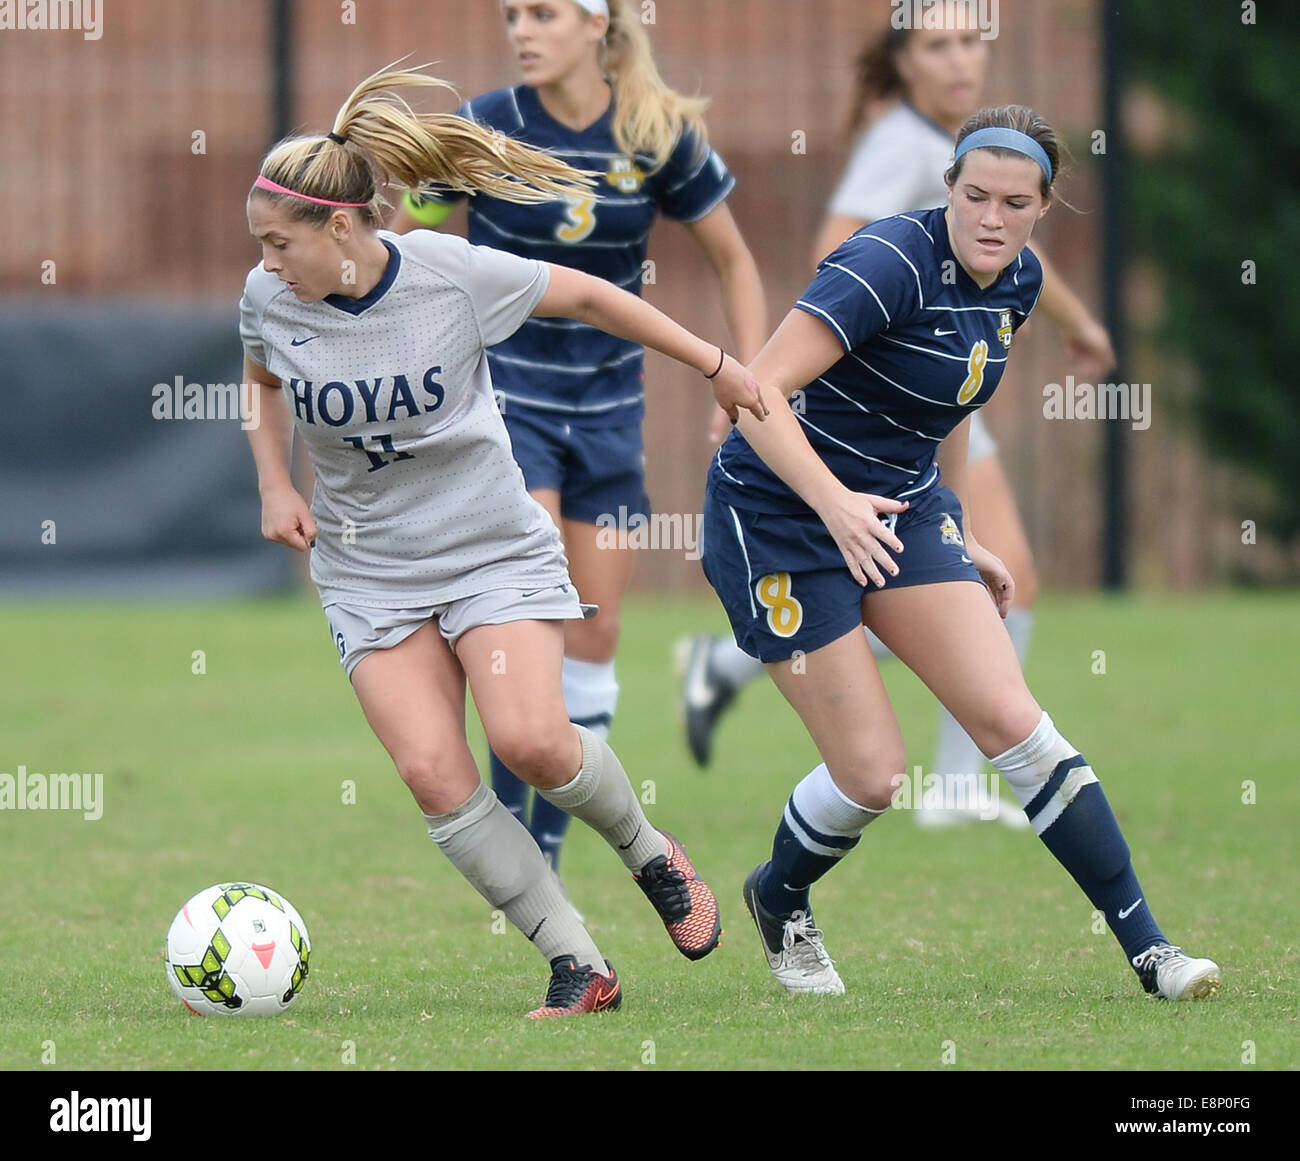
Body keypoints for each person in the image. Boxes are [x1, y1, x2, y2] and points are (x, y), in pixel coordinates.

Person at [239, 64, 768, 1017]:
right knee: (433, 773)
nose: (269, 263)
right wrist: (275, 481)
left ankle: (650, 853)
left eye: (282, 243)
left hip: (489, 548)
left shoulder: (449, 275)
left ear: (346, 227)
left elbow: (602, 298)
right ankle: (578, 964)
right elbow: (260, 377)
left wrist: (719, 366)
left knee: (529, 740)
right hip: (366, 568)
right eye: (261, 247)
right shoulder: (271, 295)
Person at [700, 103, 1220, 1002]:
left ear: (1043, 208)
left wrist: (964, 527)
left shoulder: (1017, 281)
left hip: (899, 510)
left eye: (1015, 203)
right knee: (871, 775)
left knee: (1015, 723)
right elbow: (755, 395)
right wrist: (834, 507)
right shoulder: (887, 261)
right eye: (974, 195)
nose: (991, 217)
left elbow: (953, 401)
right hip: (778, 514)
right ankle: (778, 895)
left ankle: (1153, 951)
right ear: (948, 189)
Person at [680, 11, 1115, 832]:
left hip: (949, 384)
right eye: (938, 44)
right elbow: (841, 252)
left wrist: (1079, 321)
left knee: (983, 572)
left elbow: (1017, 262)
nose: (961, 60)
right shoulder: (904, 144)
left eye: (971, 40)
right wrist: (865, 340)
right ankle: (944, 776)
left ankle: (946, 768)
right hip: (893, 387)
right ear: (904, 62)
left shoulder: (982, 156)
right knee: (990, 573)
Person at [393, 0, 767, 873]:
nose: (521, 30)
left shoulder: (655, 132)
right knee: (529, 621)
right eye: (512, 14)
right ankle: (533, 868)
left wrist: (747, 376)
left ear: (598, 25)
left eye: (544, 13)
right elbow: (400, 244)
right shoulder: (483, 126)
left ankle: (548, 846)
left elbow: (736, 261)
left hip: (609, 413)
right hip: (503, 407)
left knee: (594, 636)